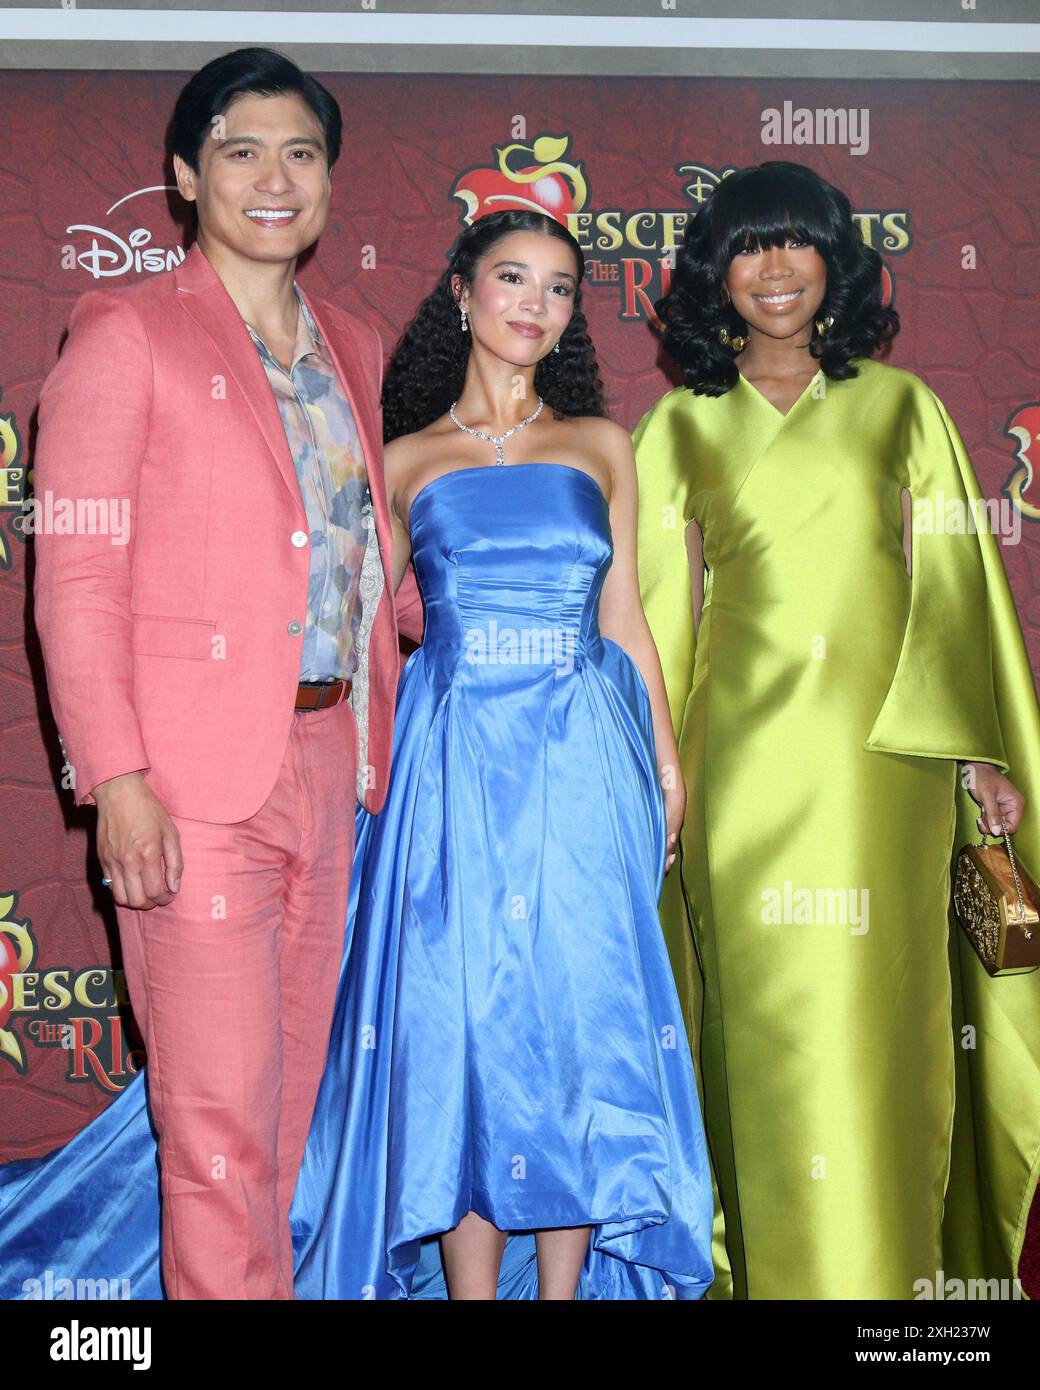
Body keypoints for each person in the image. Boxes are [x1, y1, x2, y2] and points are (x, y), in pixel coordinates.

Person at [0, 207, 715, 1301]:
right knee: (465, 1028)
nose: (534, 303)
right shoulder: (397, 456)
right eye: (511, 278)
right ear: (463, 295)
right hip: (451, 762)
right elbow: (350, 601)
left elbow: (626, 617)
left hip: (580, 763)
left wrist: (662, 766)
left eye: (560, 287)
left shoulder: (604, 444)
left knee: (573, 1024)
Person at [17, 47, 422, 1300]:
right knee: (213, 1128)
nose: (273, 176)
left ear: (328, 183)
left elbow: (374, 570)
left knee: (288, 1113)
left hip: (334, 764)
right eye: (241, 149)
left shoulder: (353, 344)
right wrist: (119, 778)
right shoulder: (127, 329)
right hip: (191, 784)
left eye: (301, 152)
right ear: (187, 175)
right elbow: (76, 578)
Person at [633, 159, 1040, 1300]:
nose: (773, 270)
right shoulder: (679, 424)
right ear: (714, 272)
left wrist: (975, 753)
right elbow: (654, 627)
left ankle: (887, 1290)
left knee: (883, 1030)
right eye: (748, 246)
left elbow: (948, 588)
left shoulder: (901, 407)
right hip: (740, 777)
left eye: (796, 243)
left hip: (882, 772)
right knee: (758, 1031)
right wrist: (652, 777)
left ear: (836, 263)